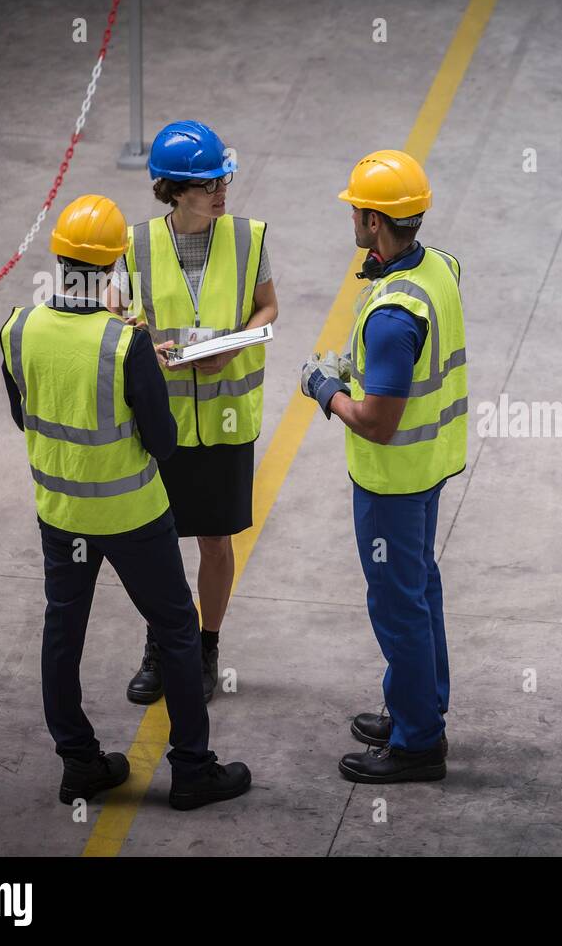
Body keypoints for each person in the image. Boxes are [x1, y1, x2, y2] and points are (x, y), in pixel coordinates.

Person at [0, 194, 251, 810]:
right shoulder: (124, 343)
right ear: (115, 266)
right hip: (133, 517)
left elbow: (22, 415)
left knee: (63, 634)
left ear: (58, 258)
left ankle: (80, 763)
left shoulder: (17, 328)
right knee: (177, 634)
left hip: (61, 516)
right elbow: (162, 443)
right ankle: (192, 769)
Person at [301, 150, 467, 783]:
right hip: (429, 466)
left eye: (357, 212)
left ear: (375, 221)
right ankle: (419, 707)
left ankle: (419, 743)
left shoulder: (394, 316)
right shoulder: (439, 268)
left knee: (397, 605)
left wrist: (325, 387)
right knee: (419, 589)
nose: (352, 221)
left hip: (392, 480)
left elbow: (376, 420)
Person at [107, 120, 279, 705]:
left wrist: (236, 343)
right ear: (175, 191)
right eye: (207, 184)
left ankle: (204, 649)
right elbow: (117, 320)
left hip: (227, 421)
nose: (221, 191)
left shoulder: (249, 237)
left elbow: (267, 309)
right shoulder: (136, 245)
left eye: (223, 178)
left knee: (215, 542)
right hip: (165, 423)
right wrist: (144, 348)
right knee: (158, 546)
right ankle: (162, 644)